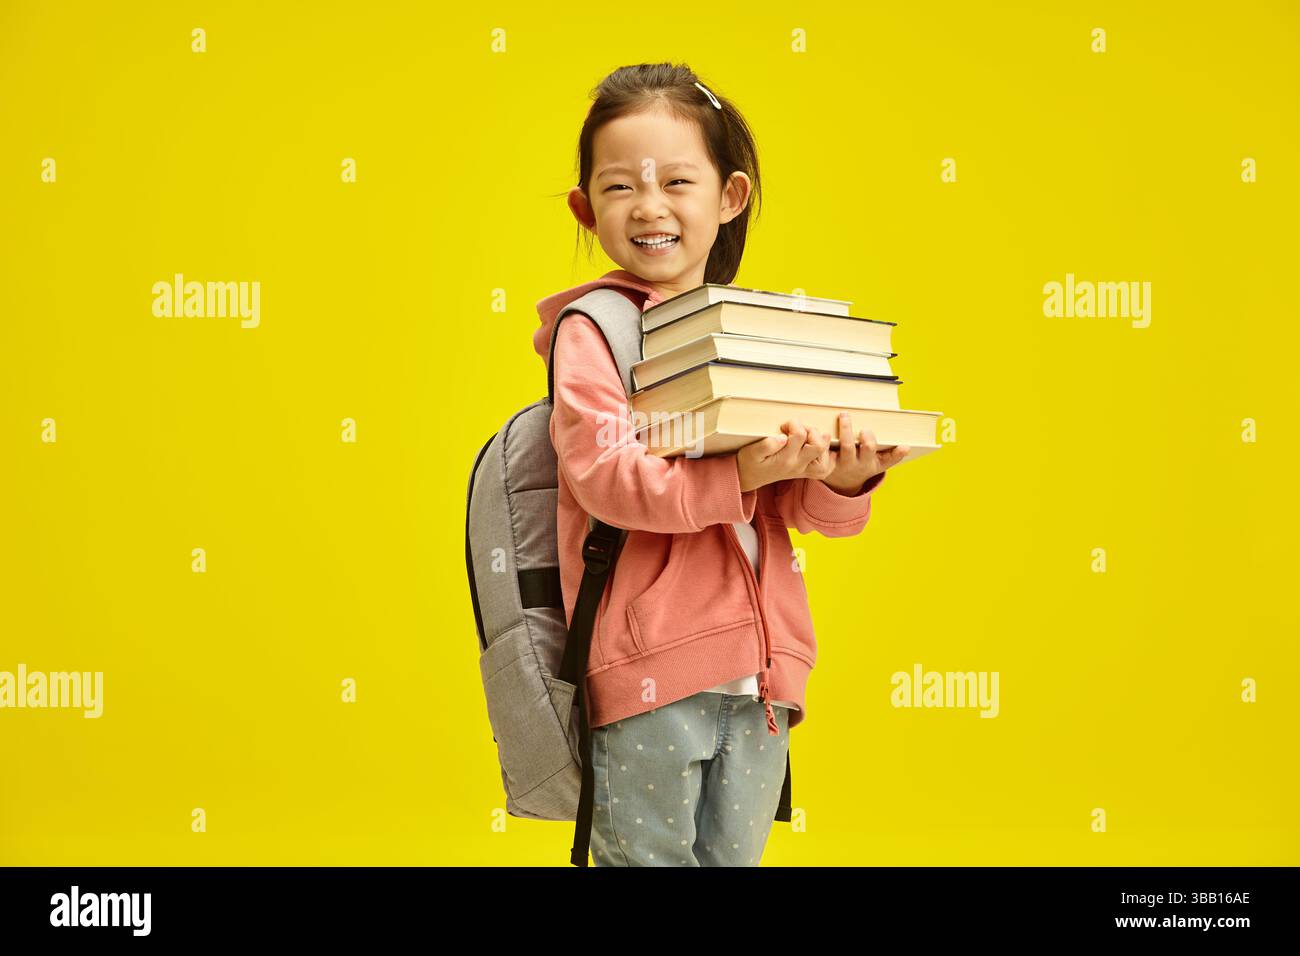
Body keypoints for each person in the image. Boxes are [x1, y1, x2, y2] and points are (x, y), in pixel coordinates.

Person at [532, 63, 910, 866]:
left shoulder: (753, 335)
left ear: (728, 197)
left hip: (764, 674)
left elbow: (807, 513)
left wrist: (842, 474)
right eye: (620, 187)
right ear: (585, 208)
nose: (650, 206)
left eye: (676, 180)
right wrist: (738, 476)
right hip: (646, 669)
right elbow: (609, 480)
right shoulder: (593, 330)